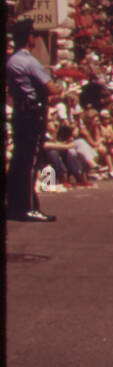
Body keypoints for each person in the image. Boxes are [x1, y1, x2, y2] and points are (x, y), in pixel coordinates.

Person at [6, 19, 61, 221]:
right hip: (31, 113)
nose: (35, 38)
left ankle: (14, 205)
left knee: (18, 161)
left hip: (20, 113)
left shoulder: (11, 60)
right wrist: (60, 86)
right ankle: (29, 207)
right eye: (33, 34)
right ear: (28, 37)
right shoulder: (29, 61)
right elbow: (51, 88)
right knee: (30, 162)